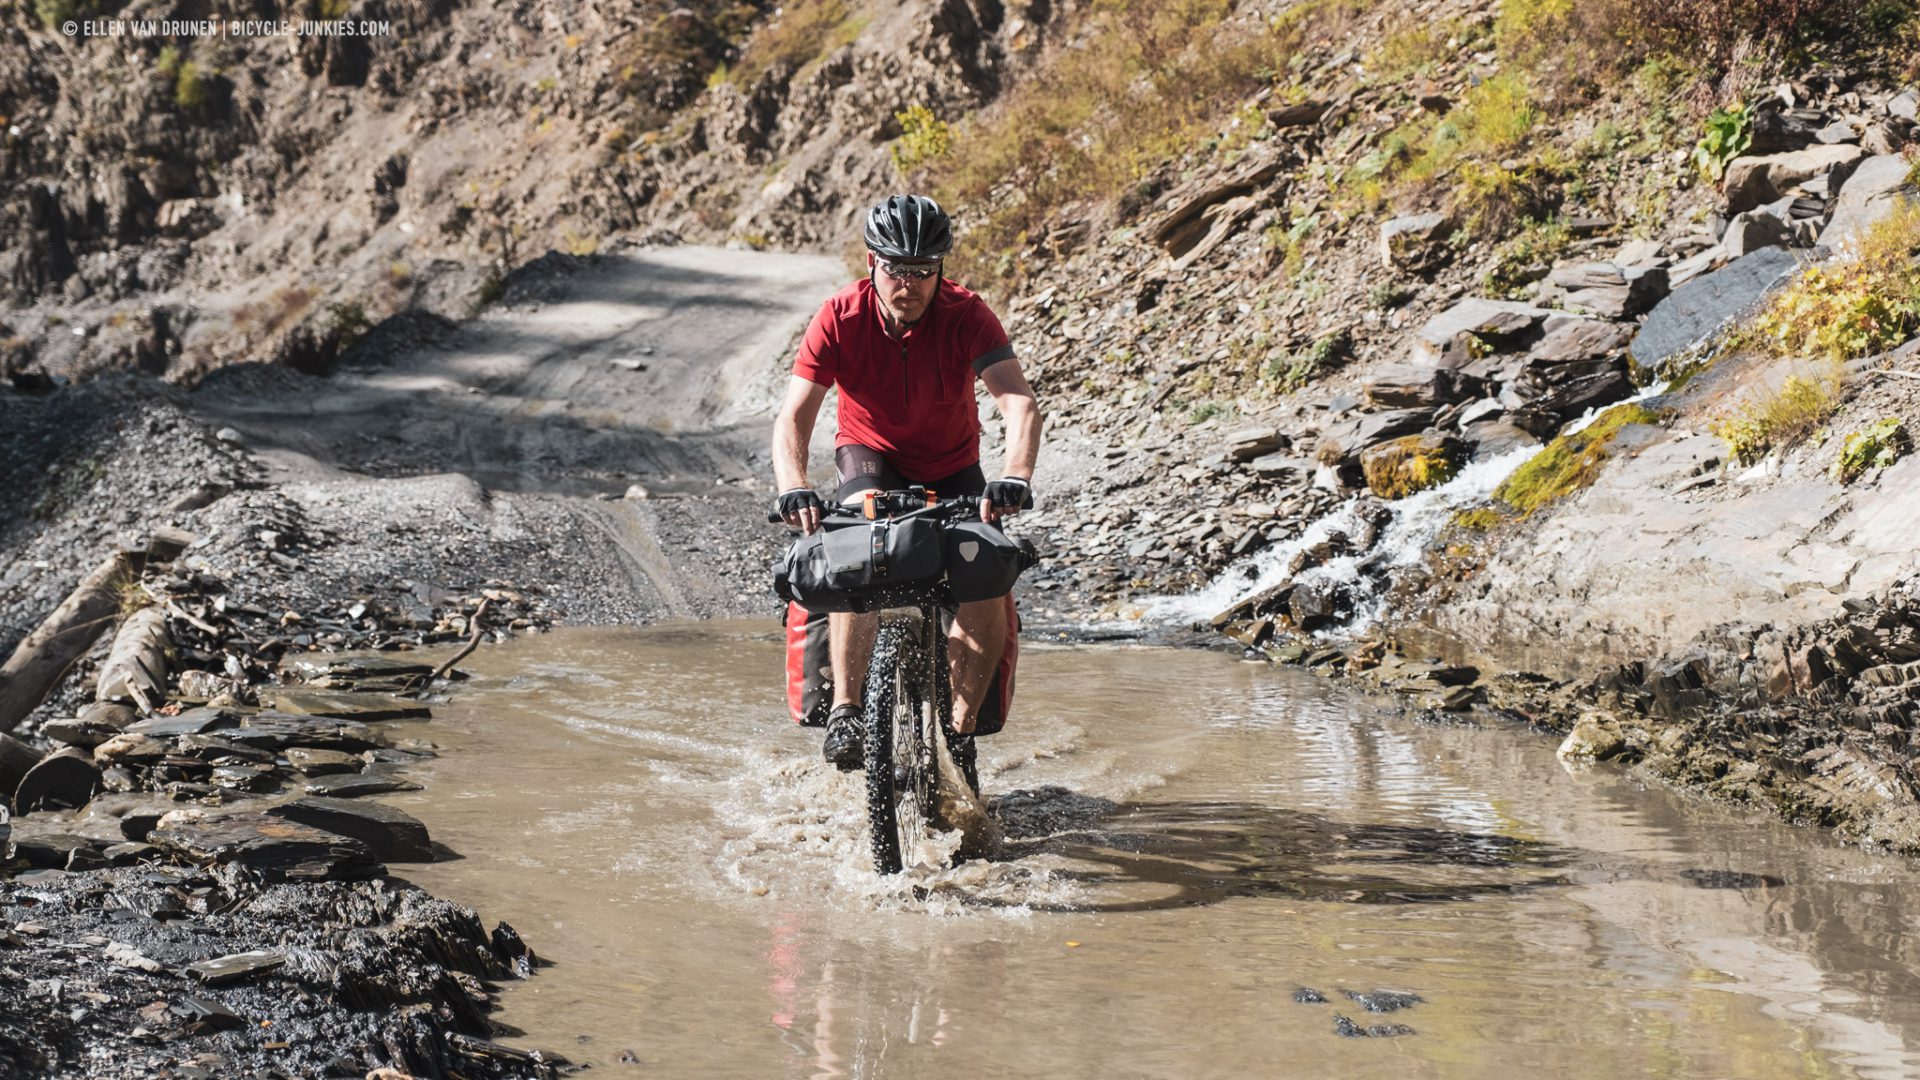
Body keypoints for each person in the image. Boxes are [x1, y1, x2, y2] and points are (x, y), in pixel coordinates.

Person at [772, 194, 1043, 774]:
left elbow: (1018, 402)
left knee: (985, 573)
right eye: (897, 268)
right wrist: (794, 485)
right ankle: (847, 710)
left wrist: (1015, 475)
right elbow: (794, 415)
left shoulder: (967, 314)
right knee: (853, 547)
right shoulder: (839, 315)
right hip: (868, 457)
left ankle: (961, 732)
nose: (910, 284)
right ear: (873, 261)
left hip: (953, 467)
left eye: (925, 270)